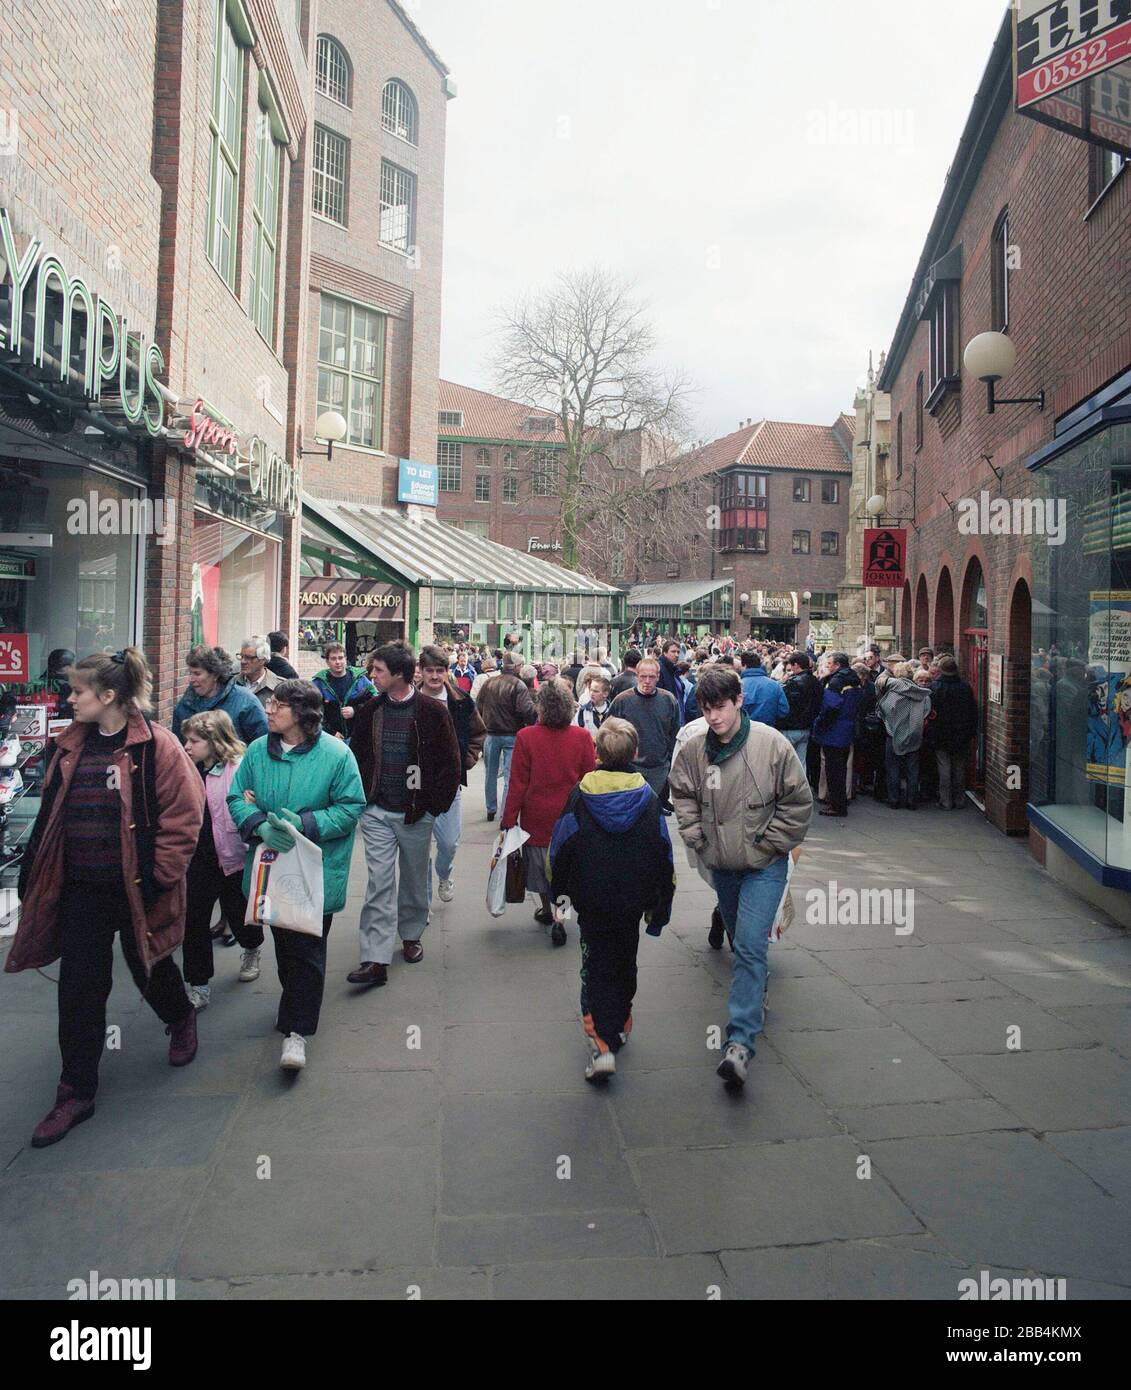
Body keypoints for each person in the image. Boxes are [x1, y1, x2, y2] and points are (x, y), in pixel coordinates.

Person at [9, 649, 205, 1146]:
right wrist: (34, 874)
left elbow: (185, 818)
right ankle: (75, 1090)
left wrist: (160, 878)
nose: (69, 699)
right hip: (80, 891)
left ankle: (179, 1017)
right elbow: (49, 815)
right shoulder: (68, 746)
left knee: (152, 967)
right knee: (78, 988)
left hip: (137, 889)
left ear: (109, 695)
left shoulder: (157, 747)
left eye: (78, 691)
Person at [669, 666, 813, 1088]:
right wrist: (695, 835)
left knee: (750, 945)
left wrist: (771, 843)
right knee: (741, 943)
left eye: (720, 707)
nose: (713, 717)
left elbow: (798, 801)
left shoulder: (772, 746)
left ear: (738, 702)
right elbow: (682, 792)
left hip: (764, 866)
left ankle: (739, 1044)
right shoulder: (695, 750)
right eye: (706, 708)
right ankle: (757, 989)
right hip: (723, 866)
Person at [227, 680, 365, 1070]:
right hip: (270, 869)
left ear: (303, 714)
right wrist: (257, 824)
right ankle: (295, 1005)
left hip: (314, 871)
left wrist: (305, 823)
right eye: (270, 703)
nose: (268, 709)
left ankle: (297, 1032)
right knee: (286, 946)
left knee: (307, 949)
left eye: (278, 705)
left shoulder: (337, 755)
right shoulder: (256, 751)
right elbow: (236, 796)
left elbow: (351, 806)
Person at [549, 717, 675, 1082]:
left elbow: (560, 848)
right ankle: (620, 1022)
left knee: (594, 965)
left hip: (591, 897)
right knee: (625, 959)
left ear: (596, 753)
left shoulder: (580, 795)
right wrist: (660, 904)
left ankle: (601, 1044)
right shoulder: (649, 799)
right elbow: (663, 854)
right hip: (632, 900)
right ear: (636, 753)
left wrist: (559, 895)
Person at [348, 642, 462, 986]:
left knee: (414, 879)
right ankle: (375, 958)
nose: (372, 675)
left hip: (415, 814)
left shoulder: (432, 711)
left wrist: (432, 807)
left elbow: (451, 764)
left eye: (379, 670)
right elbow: (356, 757)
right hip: (378, 812)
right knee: (378, 884)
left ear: (399, 674)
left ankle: (411, 934)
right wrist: (364, 801)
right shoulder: (370, 710)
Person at [501, 677, 596, 945]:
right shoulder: (582, 737)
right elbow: (589, 779)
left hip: (536, 817)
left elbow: (517, 783)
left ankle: (546, 908)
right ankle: (560, 916)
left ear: (540, 707)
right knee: (564, 872)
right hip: (571, 818)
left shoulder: (526, 737)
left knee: (542, 871)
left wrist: (509, 819)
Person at [180, 709, 262, 1008]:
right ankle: (198, 983)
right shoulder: (186, 769)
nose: (187, 746)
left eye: (194, 741)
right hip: (197, 858)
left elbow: (252, 805)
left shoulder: (237, 769)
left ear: (214, 742)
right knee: (193, 922)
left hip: (232, 856)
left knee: (240, 916)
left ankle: (251, 947)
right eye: (186, 740)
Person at [418, 645, 486, 903]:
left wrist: (465, 761)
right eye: (429, 671)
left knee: (448, 843)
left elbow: (478, 732)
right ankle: (422, 901)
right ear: (421, 672)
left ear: (447, 672)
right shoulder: (410, 699)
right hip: (416, 784)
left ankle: (444, 874)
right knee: (418, 849)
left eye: (439, 671)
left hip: (450, 783)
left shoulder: (460, 700)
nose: (435, 676)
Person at [609, 655, 681, 807]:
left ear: (658, 677)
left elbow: (675, 733)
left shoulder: (669, 700)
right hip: (630, 768)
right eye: (643, 677)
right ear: (637, 676)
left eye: (651, 677)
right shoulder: (622, 701)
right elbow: (609, 733)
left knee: (653, 812)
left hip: (659, 768)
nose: (647, 681)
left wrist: (669, 761)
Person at [475, 654, 535, 821]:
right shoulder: (519, 685)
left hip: (491, 734)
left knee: (490, 774)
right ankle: (505, 814)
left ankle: (491, 808)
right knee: (510, 777)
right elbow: (526, 710)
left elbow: (478, 706)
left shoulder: (489, 683)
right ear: (516, 667)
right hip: (511, 734)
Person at [172, 644, 269, 746]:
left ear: (215, 674)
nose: (191, 679)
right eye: (190, 673)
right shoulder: (185, 705)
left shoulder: (245, 702)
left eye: (197, 674)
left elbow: (263, 744)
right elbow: (178, 749)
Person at [811, 653, 863, 817]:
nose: (828, 667)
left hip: (834, 731)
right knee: (841, 770)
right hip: (847, 728)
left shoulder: (835, 682)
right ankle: (838, 804)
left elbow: (830, 706)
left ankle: (836, 806)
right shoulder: (855, 680)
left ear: (838, 665)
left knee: (833, 772)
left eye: (830, 664)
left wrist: (819, 721)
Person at [875, 662, 933, 810]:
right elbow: (926, 712)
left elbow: (884, 710)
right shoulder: (922, 694)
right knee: (912, 770)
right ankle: (911, 800)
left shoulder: (893, 693)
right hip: (915, 734)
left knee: (893, 768)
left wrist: (892, 723)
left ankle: (894, 799)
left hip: (893, 734)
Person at [930, 654, 978, 809]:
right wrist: (971, 732)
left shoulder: (935, 688)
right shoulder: (965, 687)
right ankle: (959, 799)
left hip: (940, 733)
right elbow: (972, 711)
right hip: (961, 734)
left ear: (940, 669)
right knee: (959, 767)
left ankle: (945, 801)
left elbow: (929, 712)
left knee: (944, 767)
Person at [312, 643, 376, 742]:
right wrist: (330, 732)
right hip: (329, 738)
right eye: (333, 659)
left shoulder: (360, 679)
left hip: (357, 737)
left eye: (340, 658)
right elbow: (312, 712)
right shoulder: (319, 683)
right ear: (327, 662)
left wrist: (355, 710)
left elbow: (375, 701)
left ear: (345, 659)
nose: (338, 662)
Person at [780, 651, 822, 768]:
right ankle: (801, 785)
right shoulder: (816, 682)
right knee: (801, 763)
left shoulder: (794, 683)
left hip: (791, 728)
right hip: (806, 727)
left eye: (791, 664)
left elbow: (788, 705)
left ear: (796, 665)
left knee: (786, 764)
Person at [740, 651, 789, 727]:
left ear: (744, 665)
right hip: (769, 730)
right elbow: (783, 711)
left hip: (744, 732)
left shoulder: (738, 685)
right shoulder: (775, 685)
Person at [237, 635, 284, 708]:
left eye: (249, 658)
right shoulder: (230, 684)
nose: (243, 661)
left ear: (263, 659)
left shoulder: (279, 687)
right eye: (241, 656)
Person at [657, 640, 686, 717]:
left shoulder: (673, 670)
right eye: (673, 651)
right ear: (665, 653)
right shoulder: (659, 670)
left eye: (678, 652)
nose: (676, 655)